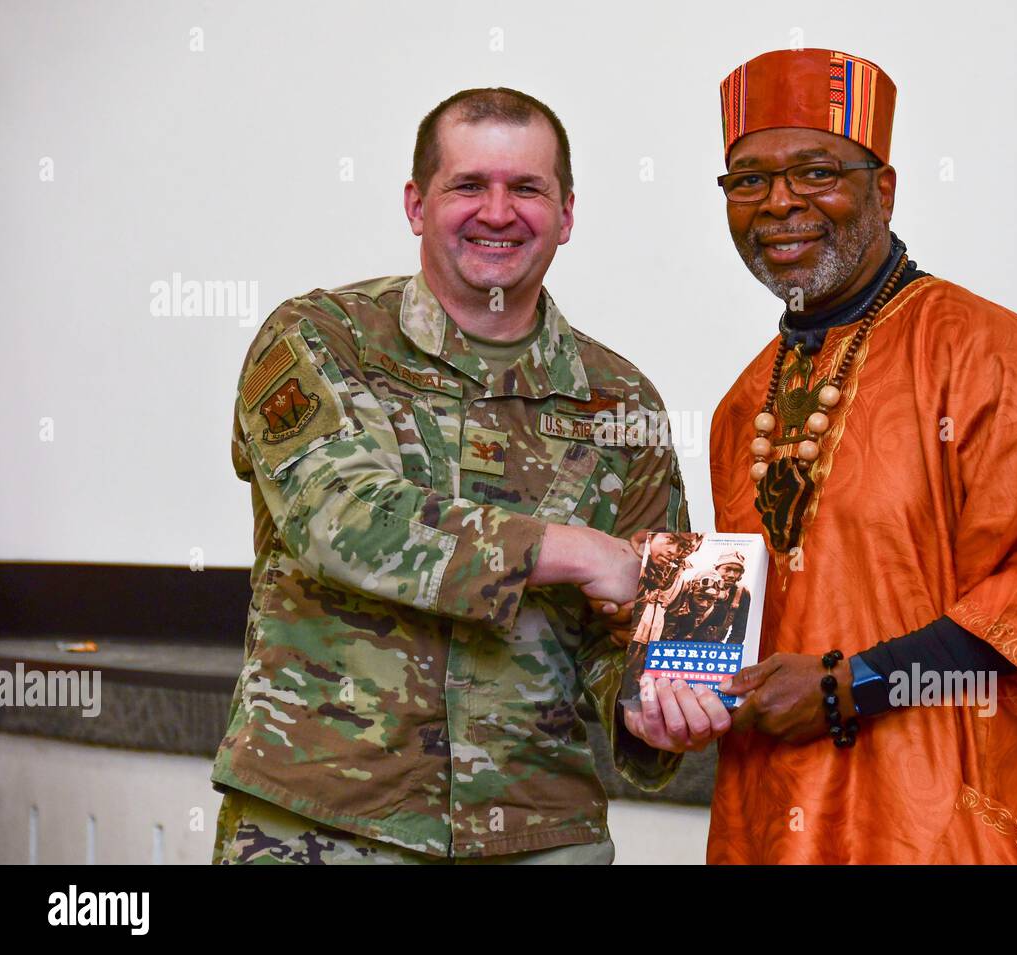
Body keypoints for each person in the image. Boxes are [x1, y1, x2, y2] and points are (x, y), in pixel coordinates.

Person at [210, 86, 726, 865]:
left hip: (539, 833)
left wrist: (651, 703)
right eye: (468, 185)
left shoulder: (623, 401)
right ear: (417, 205)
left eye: (526, 188)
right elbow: (340, 516)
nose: (498, 211)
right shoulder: (321, 338)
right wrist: (582, 550)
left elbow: (633, 622)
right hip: (325, 827)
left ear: (567, 214)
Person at [704, 49, 1017, 863]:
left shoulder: (987, 355)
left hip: (941, 824)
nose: (779, 202)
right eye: (747, 180)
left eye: (815, 172)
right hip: (769, 817)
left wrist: (846, 686)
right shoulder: (741, 403)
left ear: (882, 188)